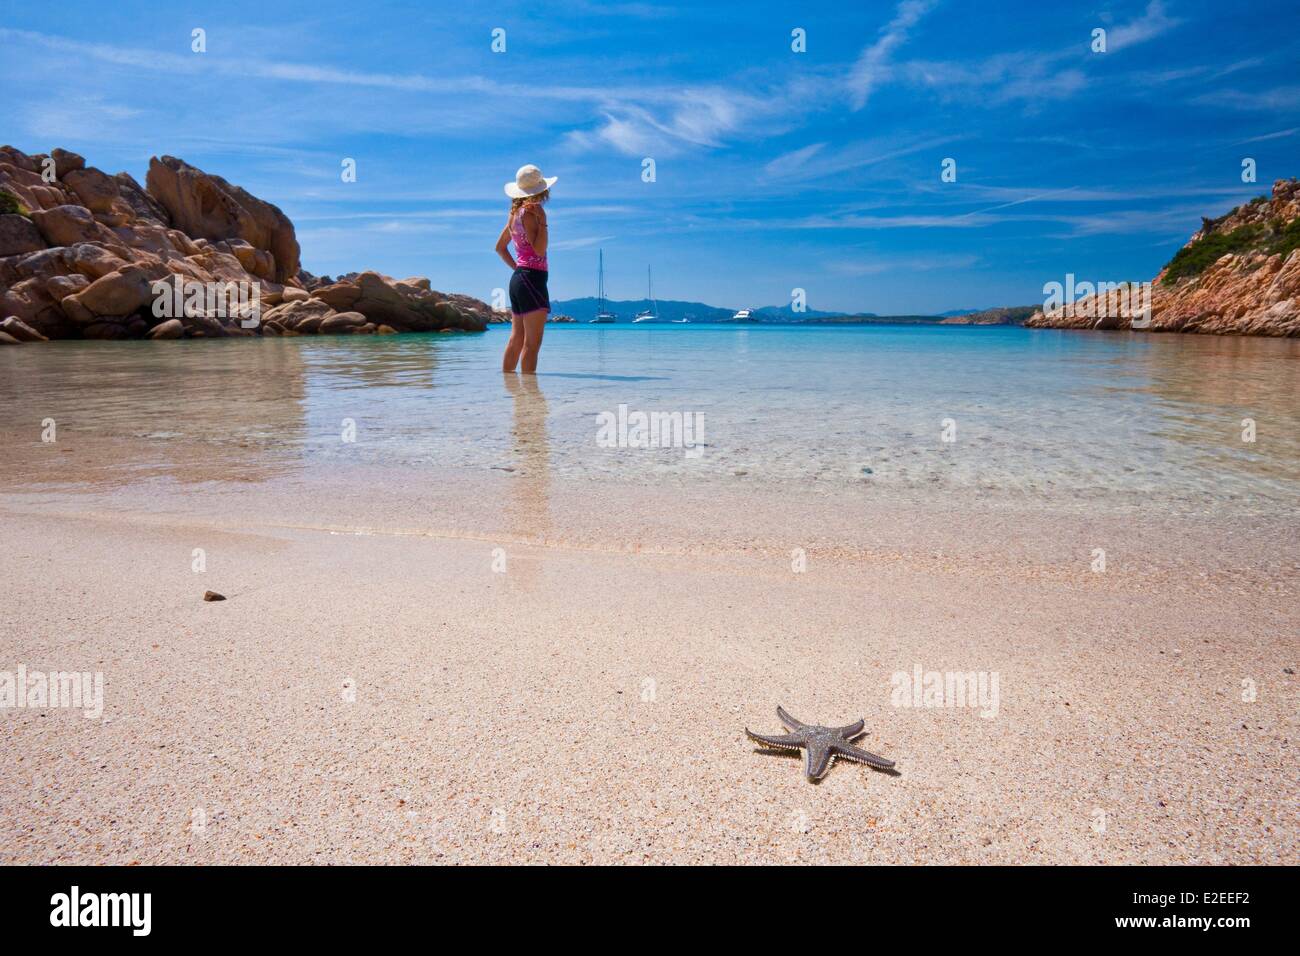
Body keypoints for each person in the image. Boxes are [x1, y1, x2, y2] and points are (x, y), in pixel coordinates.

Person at [496, 164, 556, 373]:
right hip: (533, 279)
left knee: (516, 338)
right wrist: (544, 222)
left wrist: (518, 270)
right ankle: (530, 399)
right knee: (532, 344)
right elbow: (539, 251)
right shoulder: (532, 215)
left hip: (519, 280)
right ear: (542, 190)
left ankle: (510, 388)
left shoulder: (514, 215)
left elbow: (499, 248)